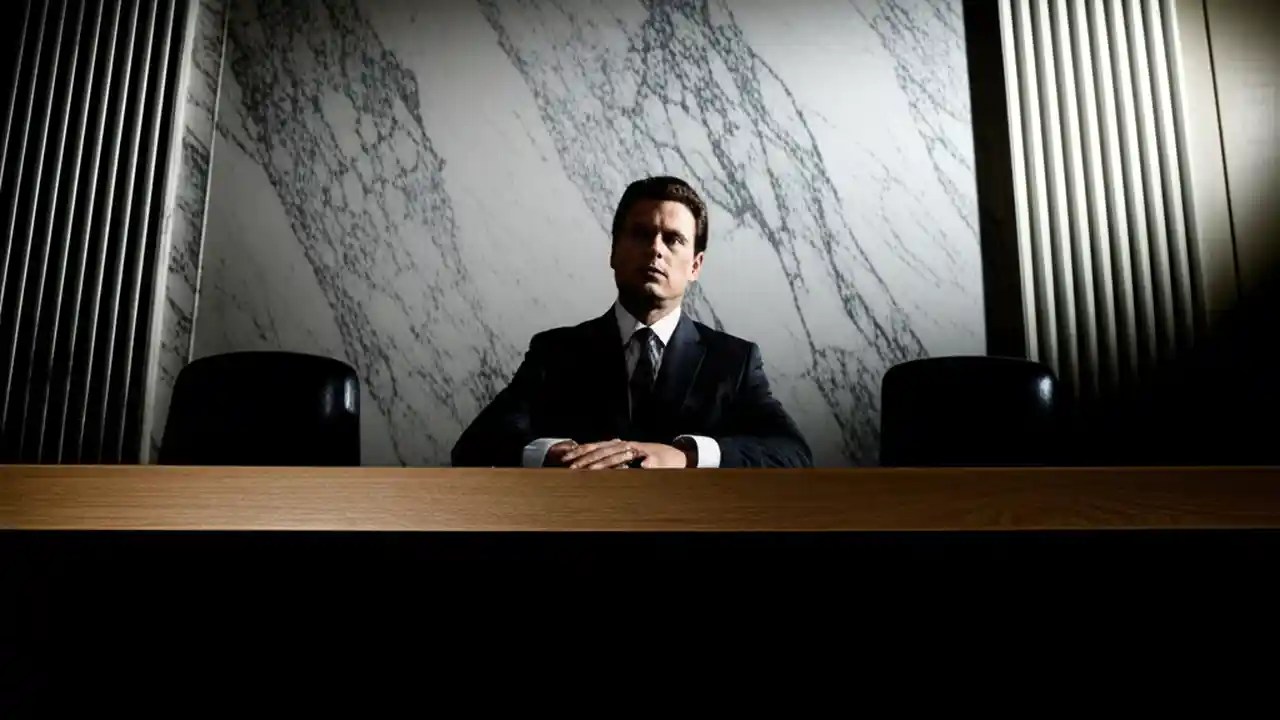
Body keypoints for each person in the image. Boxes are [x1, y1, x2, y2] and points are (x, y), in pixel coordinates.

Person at [451, 176, 812, 469]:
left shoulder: (735, 361)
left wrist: (686, 456)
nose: (656, 248)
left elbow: (792, 454)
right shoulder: (555, 352)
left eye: (673, 239)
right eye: (642, 234)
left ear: (695, 266)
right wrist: (554, 454)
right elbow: (476, 445)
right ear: (613, 251)